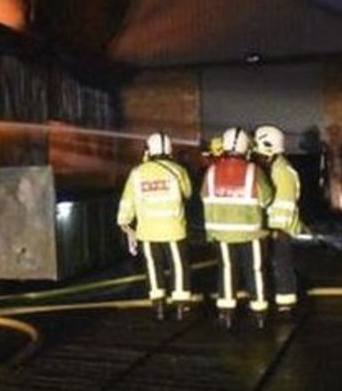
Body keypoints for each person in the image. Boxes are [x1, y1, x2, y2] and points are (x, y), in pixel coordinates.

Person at [202, 127, 274, 329]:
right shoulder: (254, 171)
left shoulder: (212, 171)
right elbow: (267, 199)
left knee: (226, 270)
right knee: (255, 270)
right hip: (252, 232)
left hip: (222, 233)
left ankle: (226, 314)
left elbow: (204, 197)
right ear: (246, 147)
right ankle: (259, 314)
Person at [117, 132, 194, 320]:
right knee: (178, 266)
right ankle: (181, 305)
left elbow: (128, 202)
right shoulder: (178, 171)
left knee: (153, 266)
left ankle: (158, 306)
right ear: (169, 149)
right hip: (173, 229)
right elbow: (188, 193)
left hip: (147, 231)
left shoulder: (137, 173)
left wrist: (124, 223)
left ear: (148, 150)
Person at [254, 125, 304, 313]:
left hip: (279, 229)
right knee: (273, 264)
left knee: (280, 264)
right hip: (272, 227)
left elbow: (285, 204)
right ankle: (281, 299)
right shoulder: (274, 166)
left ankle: (286, 303)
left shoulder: (281, 171)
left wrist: (277, 229)